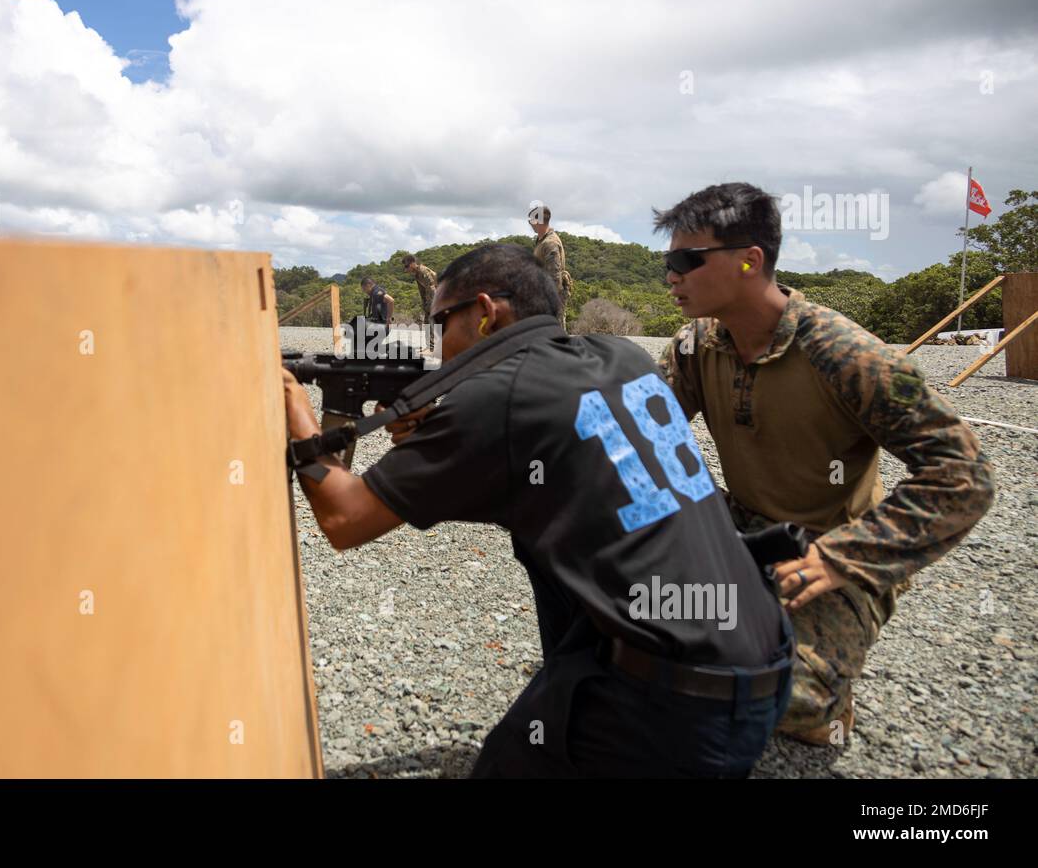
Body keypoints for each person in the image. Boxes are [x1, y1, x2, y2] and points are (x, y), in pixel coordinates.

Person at [282, 243, 794, 777]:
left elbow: (345, 519)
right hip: (763, 658)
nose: (438, 343)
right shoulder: (623, 356)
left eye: (441, 322)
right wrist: (447, 431)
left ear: (485, 313)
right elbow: (555, 459)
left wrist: (298, 408)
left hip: (678, 706)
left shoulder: (499, 401)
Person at [654, 182, 995, 745]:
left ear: (749, 261)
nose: (672, 275)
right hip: (736, 530)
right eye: (668, 261)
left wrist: (846, 557)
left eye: (686, 260)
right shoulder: (696, 346)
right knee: (629, 635)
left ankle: (828, 703)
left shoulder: (845, 354)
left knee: (782, 701)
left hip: (825, 551)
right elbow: (642, 437)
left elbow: (965, 474)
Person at [528, 200, 571, 329]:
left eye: (531, 220)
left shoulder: (550, 243)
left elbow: (555, 276)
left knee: (554, 336)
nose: (530, 224)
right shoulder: (543, 241)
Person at [403, 254, 438, 350]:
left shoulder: (423, 271)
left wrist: (431, 305)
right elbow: (422, 292)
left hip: (437, 299)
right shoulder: (417, 275)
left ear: (413, 263)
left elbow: (432, 288)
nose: (406, 269)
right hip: (430, 301)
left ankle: (432, 346)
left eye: (407, 266)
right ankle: (430, 346)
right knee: (427, 322)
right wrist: (424, 304)